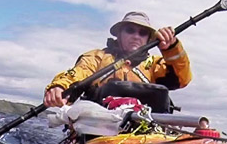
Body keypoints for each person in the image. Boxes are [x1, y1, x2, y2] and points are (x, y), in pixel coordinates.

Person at [43, 11, 192, 108]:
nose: (136, 36)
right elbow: (77, 73)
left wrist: (172, 48)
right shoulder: (97, 57)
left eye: (142, 33)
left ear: (148, 39)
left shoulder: (154, 65)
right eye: (130, 30)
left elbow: (182, 79)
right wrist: (59, 86)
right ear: (119, 34)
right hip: (97, 130)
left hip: (142, 135)